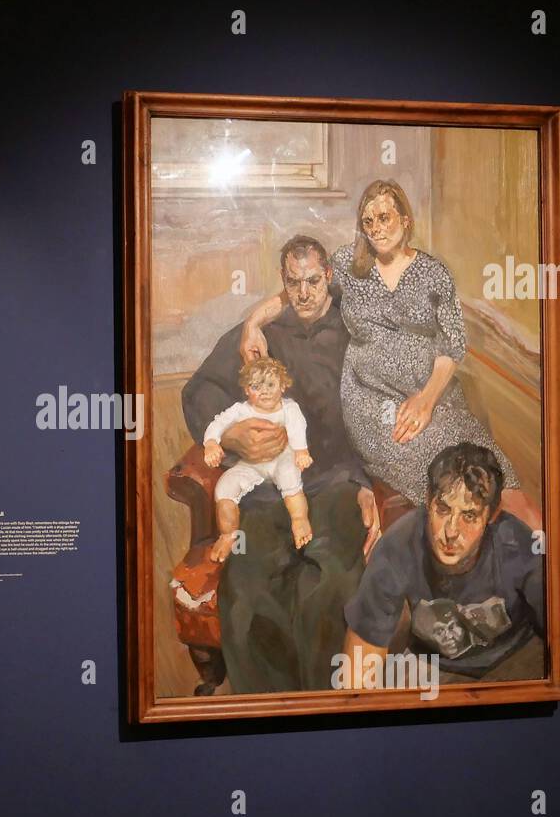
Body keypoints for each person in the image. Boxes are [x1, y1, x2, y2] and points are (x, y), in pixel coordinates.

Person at [241, 180, 539, 529]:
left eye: (384, 217)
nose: (376, 229)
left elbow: (451, 344)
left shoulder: (434, 273)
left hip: (432, 396)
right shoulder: (350, 268)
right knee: (443, 469)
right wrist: (252, 323)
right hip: (371, 401)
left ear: (405, 219)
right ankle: (470, 545)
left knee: (493, 471)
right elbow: (291, 292)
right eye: (368, 222)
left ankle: (537, 557)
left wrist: (426, 400)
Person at [181, 236, 380, 694]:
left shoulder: (357, 325)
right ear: (283, 285)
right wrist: (231, 438)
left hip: (335, 482)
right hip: (266, 485)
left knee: (331, 586)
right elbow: (200, 391)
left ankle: (325, 710)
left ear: (329, 276)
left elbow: (384, 411)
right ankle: (269, 714)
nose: (305, 293)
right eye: (294, 283)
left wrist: (366, 482)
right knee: (248, 590)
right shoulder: (260, 336)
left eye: (313, 280)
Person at [341, 442, 545, 684]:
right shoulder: (397, 546)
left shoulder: (519, 545)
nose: (451, 532)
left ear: (491, 515)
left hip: (515, 657)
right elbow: (358, 671)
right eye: (443, 509)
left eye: (469, 516)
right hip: (432, 664)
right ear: (428, 501)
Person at [202, 357, 314, 561]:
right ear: (246, 390)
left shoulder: (289, 408)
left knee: (290, 478)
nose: (265, 391)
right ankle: (228, 535)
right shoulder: (241, 410)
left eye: (271, 384)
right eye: (256, 386)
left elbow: (298, 427)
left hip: (283, 458)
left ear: (282, 386)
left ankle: (299, 519)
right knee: (224, 487)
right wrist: (211, 443)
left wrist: (300, 450)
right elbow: (218, 423)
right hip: (252, 464)